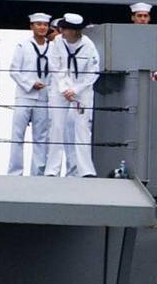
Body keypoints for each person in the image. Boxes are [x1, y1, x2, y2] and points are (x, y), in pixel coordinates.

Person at [44, 14, 101, 177]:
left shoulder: (88, 46)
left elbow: (93, 72)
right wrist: (65, 88)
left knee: (82, 128)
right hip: (60, 88)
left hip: (82, 89)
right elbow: (54, 65)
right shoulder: (57, 42)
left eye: (66, 28)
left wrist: (75, 89)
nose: (61, 31)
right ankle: (52, 169)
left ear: (75, 31)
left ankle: (85, 170)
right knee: (56, 127)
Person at [8, 12, 54, 175]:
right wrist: (30, 83)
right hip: (25, 95)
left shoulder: (53, 47)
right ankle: (15, 171)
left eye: (45, 25)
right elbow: (14, 71)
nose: (42, 27)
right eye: (38, 24)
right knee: (17, 135)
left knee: (41, 137)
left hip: (44, 97)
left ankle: (38, 172)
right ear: (31, 26)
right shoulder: (23, 46)